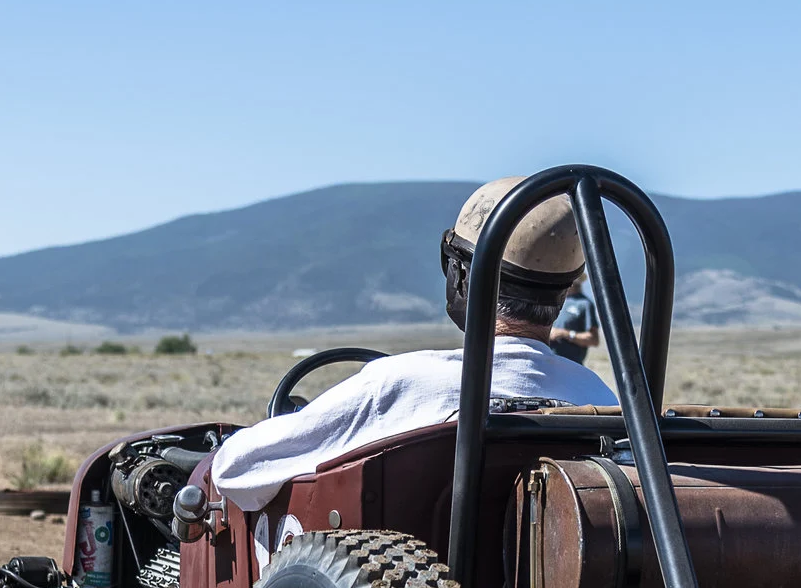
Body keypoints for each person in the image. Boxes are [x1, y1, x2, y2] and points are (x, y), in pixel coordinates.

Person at [208, 178, 619, 512]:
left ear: (460, 277)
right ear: (563, 295)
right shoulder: (596, 397)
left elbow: (236, 470)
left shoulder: (400, 385)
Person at [547, 275, 598, 364]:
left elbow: (593, 339)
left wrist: (566, 334)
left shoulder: (584, 304)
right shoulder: (554, 301)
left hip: (570, 364)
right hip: (549, 362)